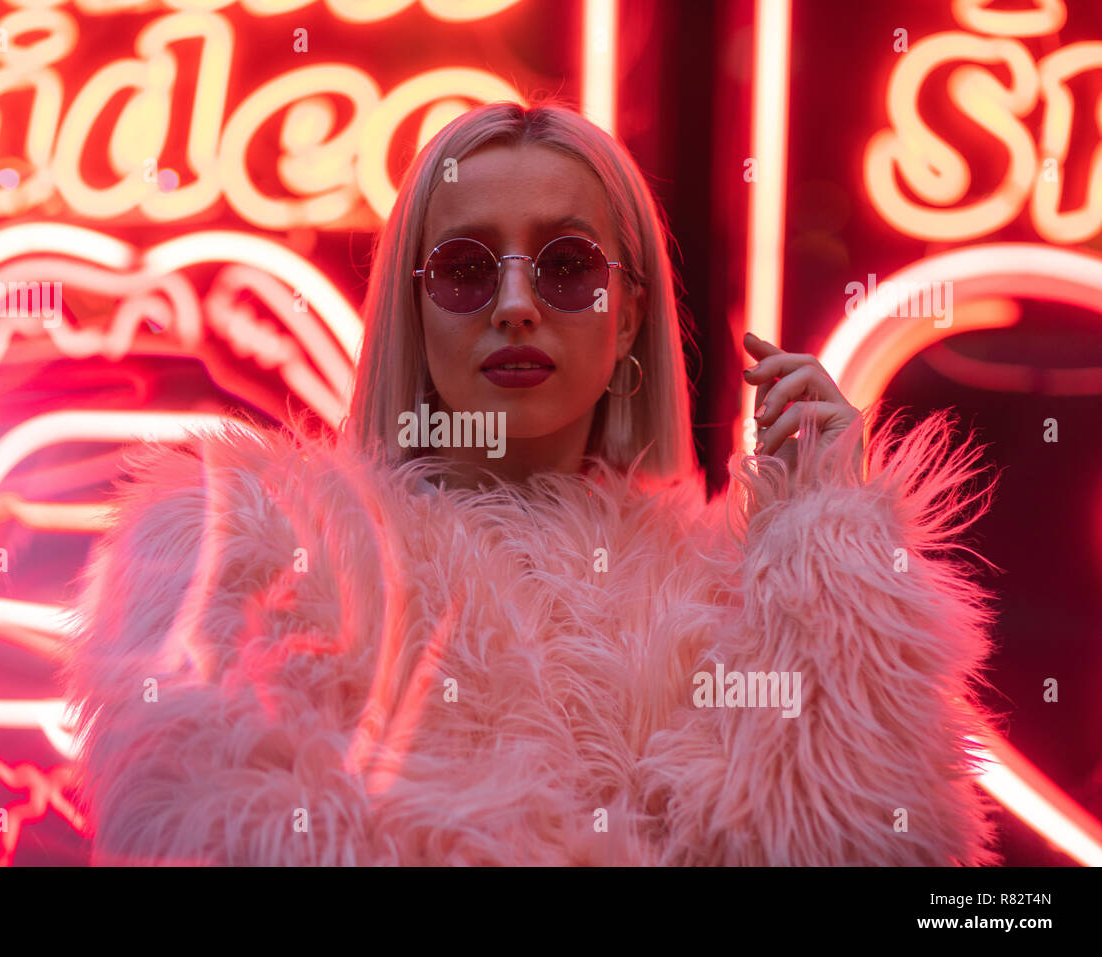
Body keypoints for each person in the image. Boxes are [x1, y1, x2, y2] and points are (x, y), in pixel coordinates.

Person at [59, 100, 1004, 865]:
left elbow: (878, 847)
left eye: (567, 266)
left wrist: (834, 555)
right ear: (413, 307)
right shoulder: (258, 559)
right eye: (468, 268)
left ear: (631, 312)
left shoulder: (740, 597)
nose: (516, 306)